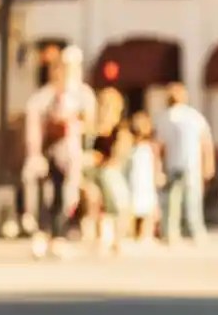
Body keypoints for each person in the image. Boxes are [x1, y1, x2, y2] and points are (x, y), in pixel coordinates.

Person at [23, 45, 95, 260]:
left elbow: (90, 121)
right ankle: (42, 235)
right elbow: (33, 124)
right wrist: (35, 152)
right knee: (45, 195)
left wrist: (75, 122)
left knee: (66, 196)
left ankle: (58, 236)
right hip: (48, 152)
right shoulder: (44, 96)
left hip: (69, 152)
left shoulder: (81, 94)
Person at [155, 83, 214, 245]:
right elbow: (206, 143)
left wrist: (158, 169)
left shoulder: (165, 117)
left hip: (173, 165)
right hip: (192, 165)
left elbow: (158, 147)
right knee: (193, 201)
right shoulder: (194, 116)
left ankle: (171, 234)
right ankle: (196, 233)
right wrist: (208, 165)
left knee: (172, 202)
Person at [91, 88, 133, 256]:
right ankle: (104, 239)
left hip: (114, 172)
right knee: (105, 207)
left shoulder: (119, 129)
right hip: (101, 172)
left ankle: (115, 240)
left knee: (118, 207)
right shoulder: (96, 130)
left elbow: (121, 152)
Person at [127, 111, 162, 244]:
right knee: (138, 206)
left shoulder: (150, 146)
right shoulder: (133, 146)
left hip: (145, 181)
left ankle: (146, 235)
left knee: (147, 208)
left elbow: (156, 163)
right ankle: (138, 234)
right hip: (137, 180)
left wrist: (158, 175)